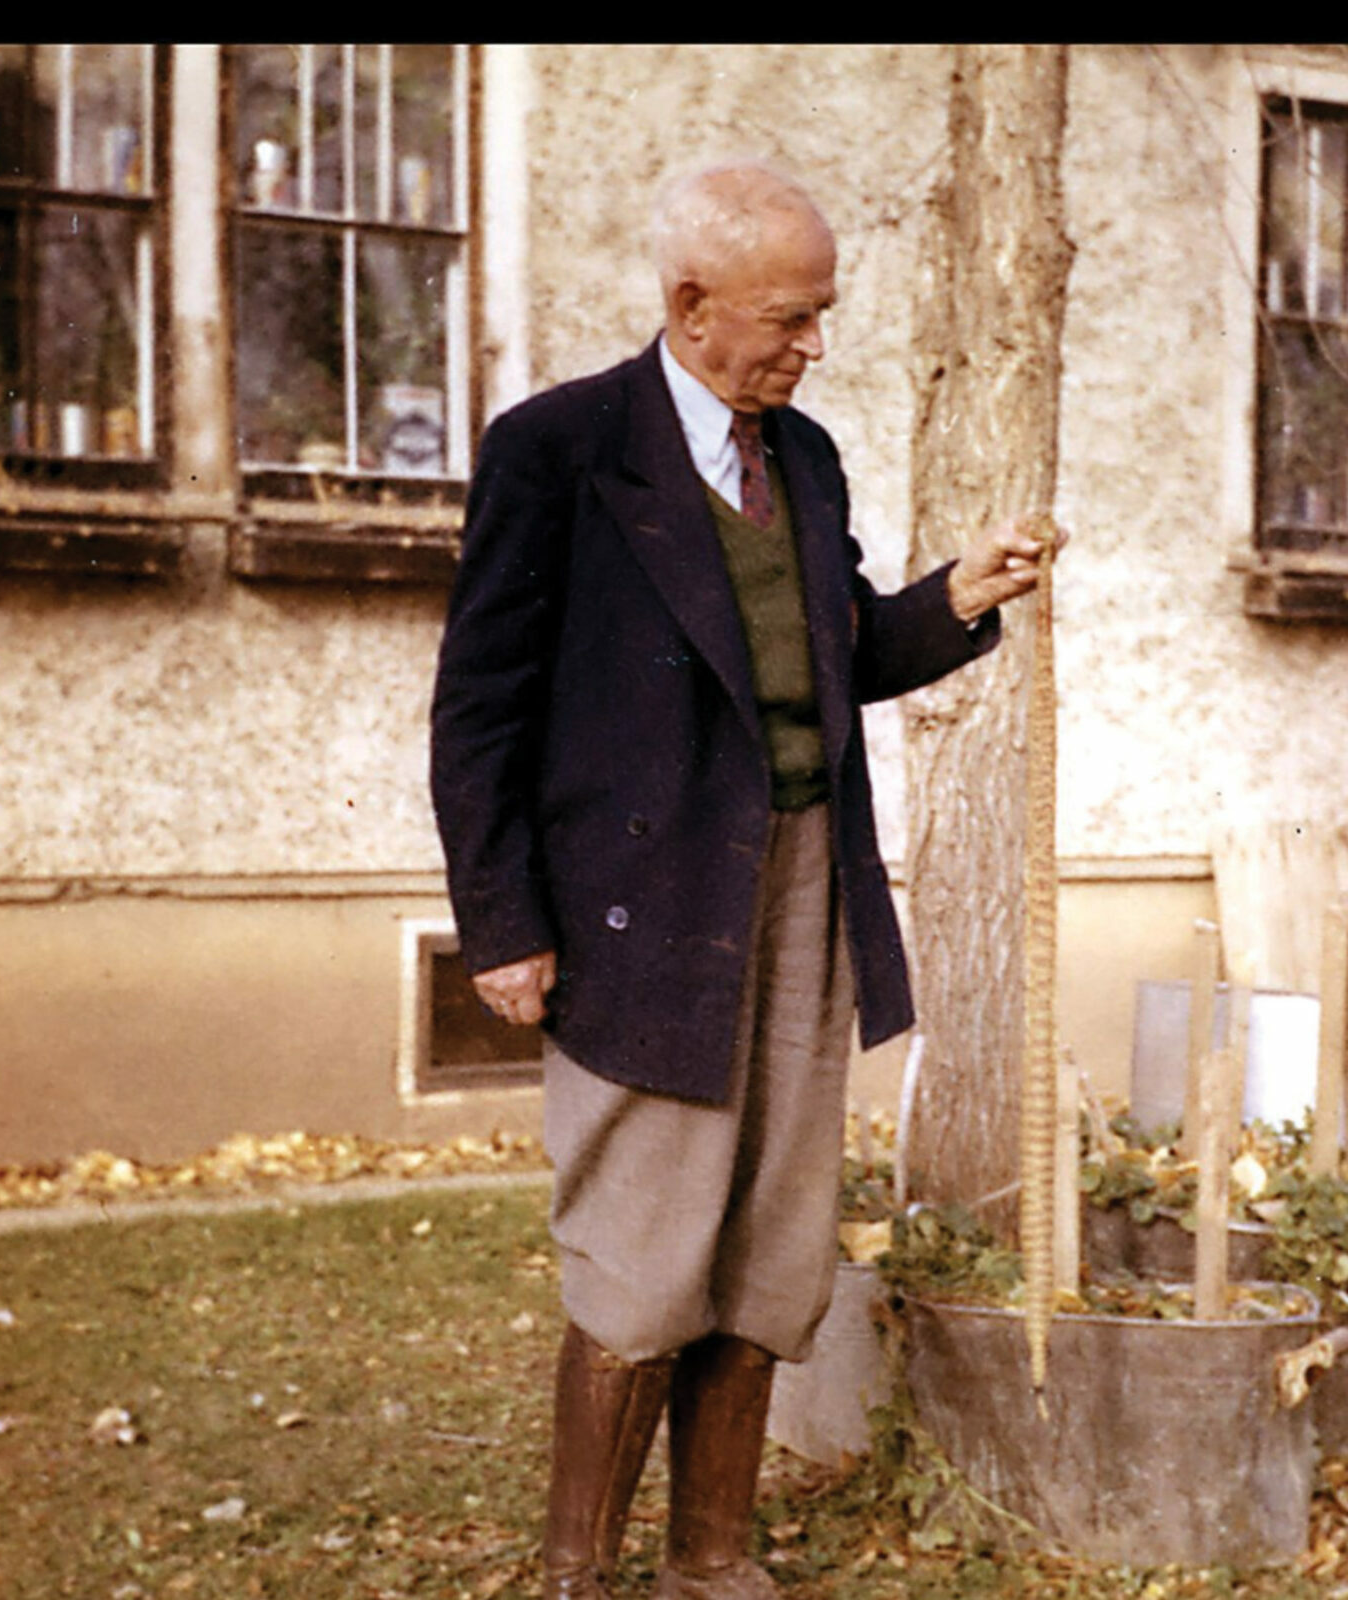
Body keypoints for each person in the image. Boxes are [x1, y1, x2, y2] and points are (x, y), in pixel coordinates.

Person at [429, 158, 1059, 1600]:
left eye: (822, 317)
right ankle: (577, 1573)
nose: (811, 346)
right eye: (789, 318)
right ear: (692, 305)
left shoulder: (809, 458)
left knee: (772, 1246)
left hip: (800, 887)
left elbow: (833, 654)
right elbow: (478, 710)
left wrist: (953, 598)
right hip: (639, 916)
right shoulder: (560, 449)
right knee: (645, 1258)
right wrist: (504, 924)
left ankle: (711, 1558)